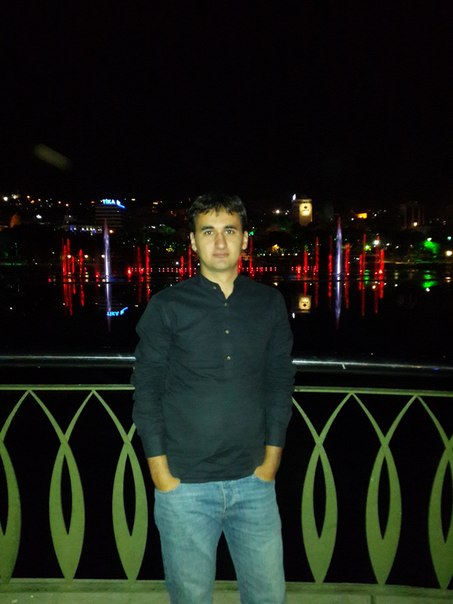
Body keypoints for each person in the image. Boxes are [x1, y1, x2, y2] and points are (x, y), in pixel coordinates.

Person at [132, 193, 295, 604]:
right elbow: (147, 389)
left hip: (254, 482)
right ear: (193, 242)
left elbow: (279, 381)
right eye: (208, 232)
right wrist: (161, 474)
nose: (220, 242)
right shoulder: (167, 306)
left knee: (268, 597)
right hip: (184, 486)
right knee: (190, 598)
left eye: (229, 231)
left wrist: (271, 461)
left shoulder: (269, 303)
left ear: (244, 239)